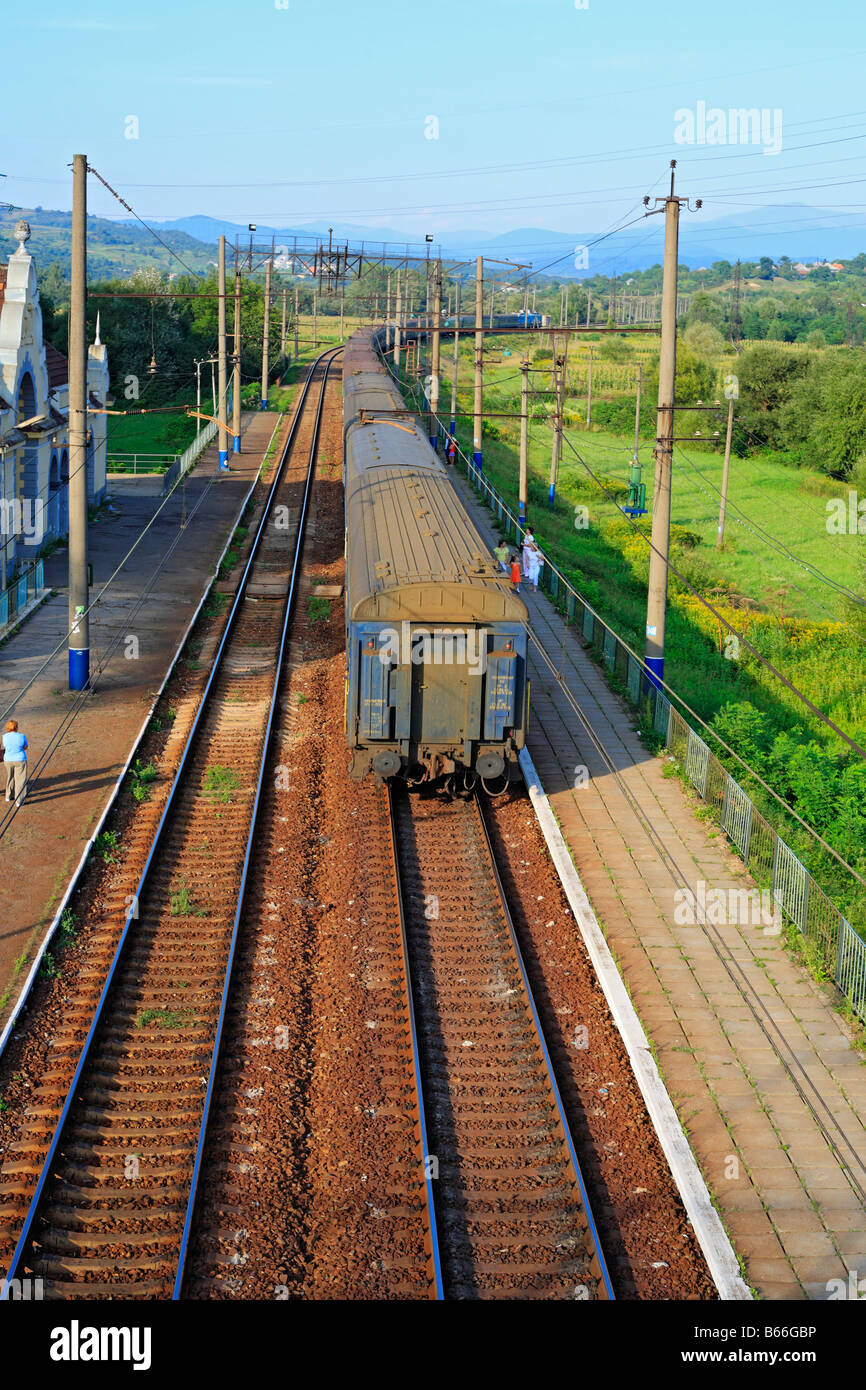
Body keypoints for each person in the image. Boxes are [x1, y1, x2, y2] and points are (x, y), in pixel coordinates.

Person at [3, 718, 28, 806]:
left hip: (7, 760)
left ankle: (8, 796)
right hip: (20, 759)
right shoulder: (21, 736)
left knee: (10, 777)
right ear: (16, 727)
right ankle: (19, 801)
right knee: (20, 780)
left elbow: (6, 746)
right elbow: (25, 747)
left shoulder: (4, 736)